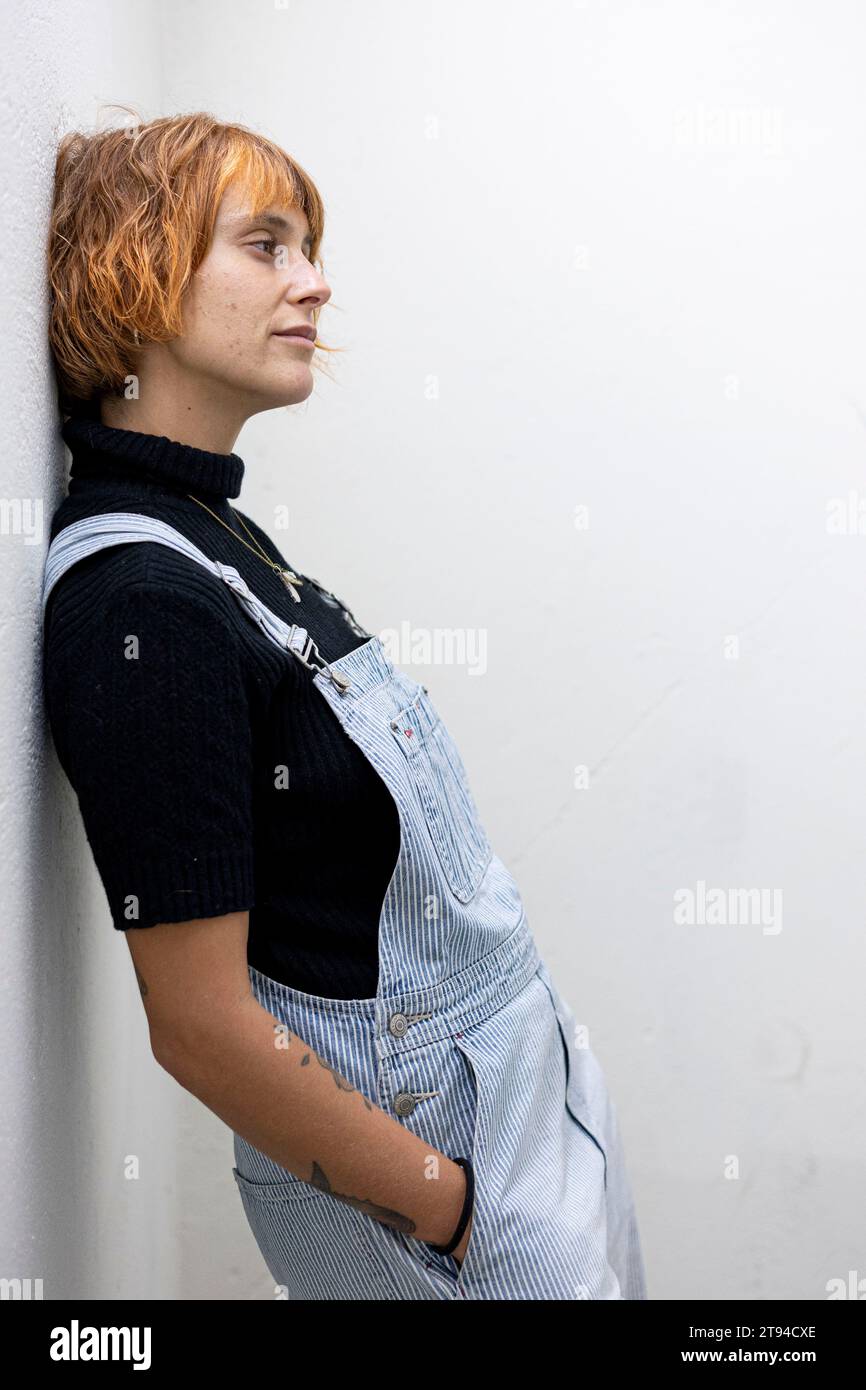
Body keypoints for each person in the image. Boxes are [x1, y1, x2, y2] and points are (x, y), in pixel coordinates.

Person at [41, 109, 648, 1301]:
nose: (314, 285)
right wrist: (454, 1214)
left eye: (307, 248)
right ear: (136, 271)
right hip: (447, 1189)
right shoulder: (142, 601)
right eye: (265, 245)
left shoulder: (216, 539)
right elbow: (201, 1025)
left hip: (526, 1111)